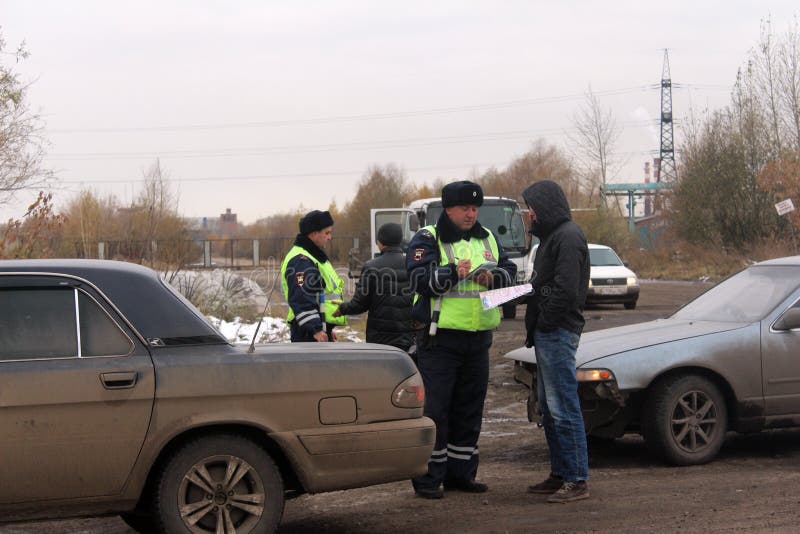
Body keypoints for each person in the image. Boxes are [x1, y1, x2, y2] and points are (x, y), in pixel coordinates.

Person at [407, 180, 517, 499]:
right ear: (449, 209)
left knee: (469, 410)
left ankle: (461, 474)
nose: (471, 214)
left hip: (478, 338)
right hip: (440, 340)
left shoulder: (488, 239)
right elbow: (418, 280)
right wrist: (453, 272)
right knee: (436, 411)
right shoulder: (428, 238)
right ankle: (428, 478)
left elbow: (509, 272)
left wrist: (494, 277)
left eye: (474, 208)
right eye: (465, 209)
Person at [521, 180, 591, 503]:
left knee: (564, 408)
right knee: (550, 410)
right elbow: (542, 285)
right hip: (546, 333)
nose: (529, 214)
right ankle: (560, 474)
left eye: (532, 208)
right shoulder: (551, 238)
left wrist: (546, 321)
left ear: (545, 206)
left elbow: (565, 290)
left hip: (558, 333)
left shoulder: (568, 236)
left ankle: (577, 479)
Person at [332, 222, 414, 351]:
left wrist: (343, 308)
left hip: (379, 339)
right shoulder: (412, 265)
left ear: (380, 242)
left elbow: (360, 304)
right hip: (407, 337)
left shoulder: (372, 267)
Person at [280, 209, 347, 342]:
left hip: (316, 326)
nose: (330, 237)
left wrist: (327, 329)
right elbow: (301, 296)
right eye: (327, 233)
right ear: (314, 234)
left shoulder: (314, 256)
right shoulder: (301, 260)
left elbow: (321, 294)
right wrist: (315, 329)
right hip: (307, 331)